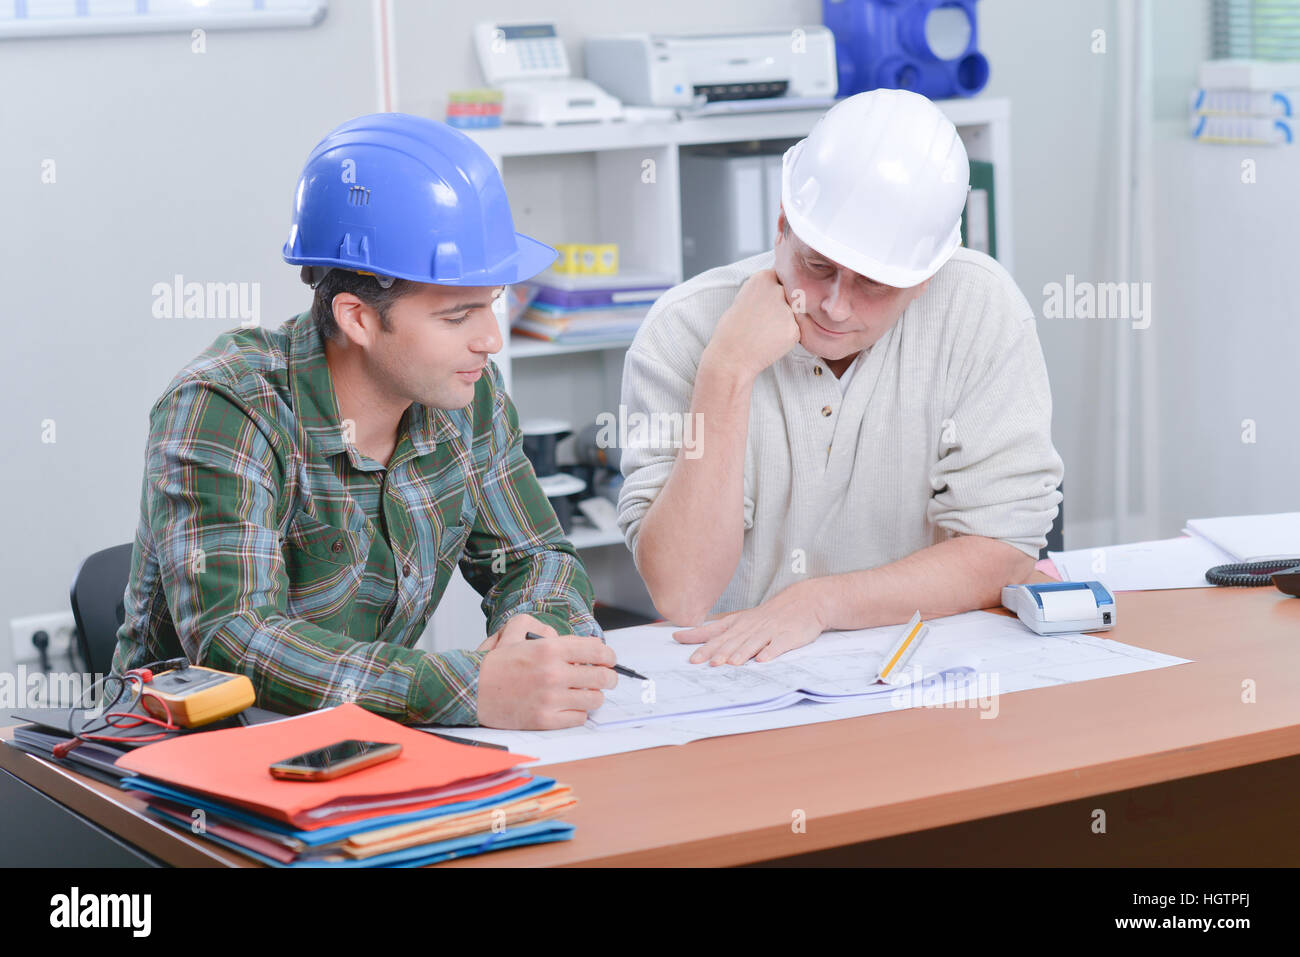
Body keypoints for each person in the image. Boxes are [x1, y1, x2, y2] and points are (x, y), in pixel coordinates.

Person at [112, 113, 617, 729]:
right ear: (356, 318)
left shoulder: (469, 396)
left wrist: (538, 639)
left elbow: (537, 556)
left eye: (491, 306)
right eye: (458, 317)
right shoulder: (224, 406)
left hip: (366, 748)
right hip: (185, 766)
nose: (490, 340)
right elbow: (234, 639)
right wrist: (469, 687)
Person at [618, 89, 1065, 666]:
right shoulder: (682, 329)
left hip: (929, 666)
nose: (833, 305)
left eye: (873, 284)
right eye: (817, 266)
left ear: (927, 276)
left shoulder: (979, 306)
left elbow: (1003, 551)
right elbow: (682, 593)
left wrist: (821, 603)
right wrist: (726, 373)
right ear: (782, 225)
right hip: (739, 676)